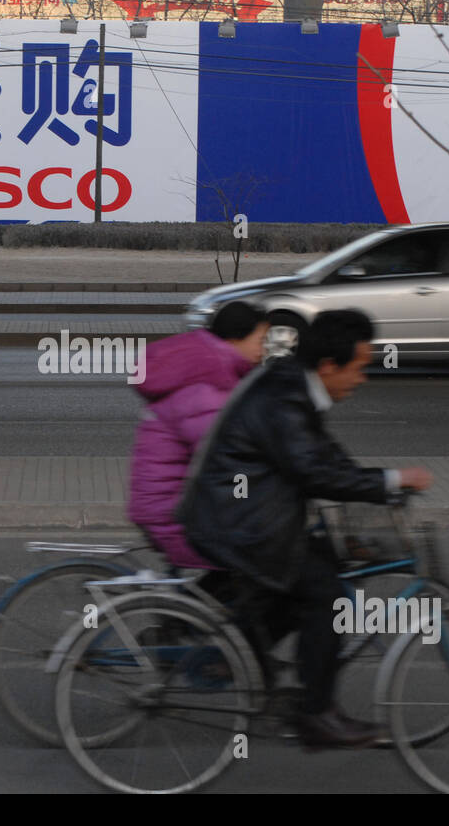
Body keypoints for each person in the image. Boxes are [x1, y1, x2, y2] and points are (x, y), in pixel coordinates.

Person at [177, 309, 434, 749]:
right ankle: (317, 715)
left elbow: (324, 455)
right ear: (330, 366)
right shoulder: (286, 397)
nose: (363, 379)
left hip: (243, 515)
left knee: (319, 567)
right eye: (359, 368)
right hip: (237, 524)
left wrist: (378, 482)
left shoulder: (296, 385)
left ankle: (238, 655)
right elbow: (313, 471)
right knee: (327, 596)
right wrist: (389, 481)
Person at [127, 301, 269, 571]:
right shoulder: (206, 387)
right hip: (173, 517)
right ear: (236, 338)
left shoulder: (209, 373)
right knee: (259, 559)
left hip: (172, 506)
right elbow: (226, 456)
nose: (264, 351)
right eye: (260, 340)